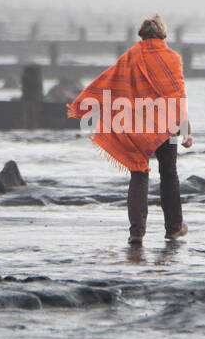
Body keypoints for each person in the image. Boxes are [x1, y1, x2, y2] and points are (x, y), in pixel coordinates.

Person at [67, 15, 192, 246]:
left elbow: (109, 82)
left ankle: (137, 233)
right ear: (163, 34)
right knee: (169, 173)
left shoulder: (130, 58)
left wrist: (85, 102)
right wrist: (186, 130)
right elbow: (178, 96)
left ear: (142, 34)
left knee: (139, 173)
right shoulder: (173, 58)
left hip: (136, 126)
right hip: (168, 126)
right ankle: (174, 228)